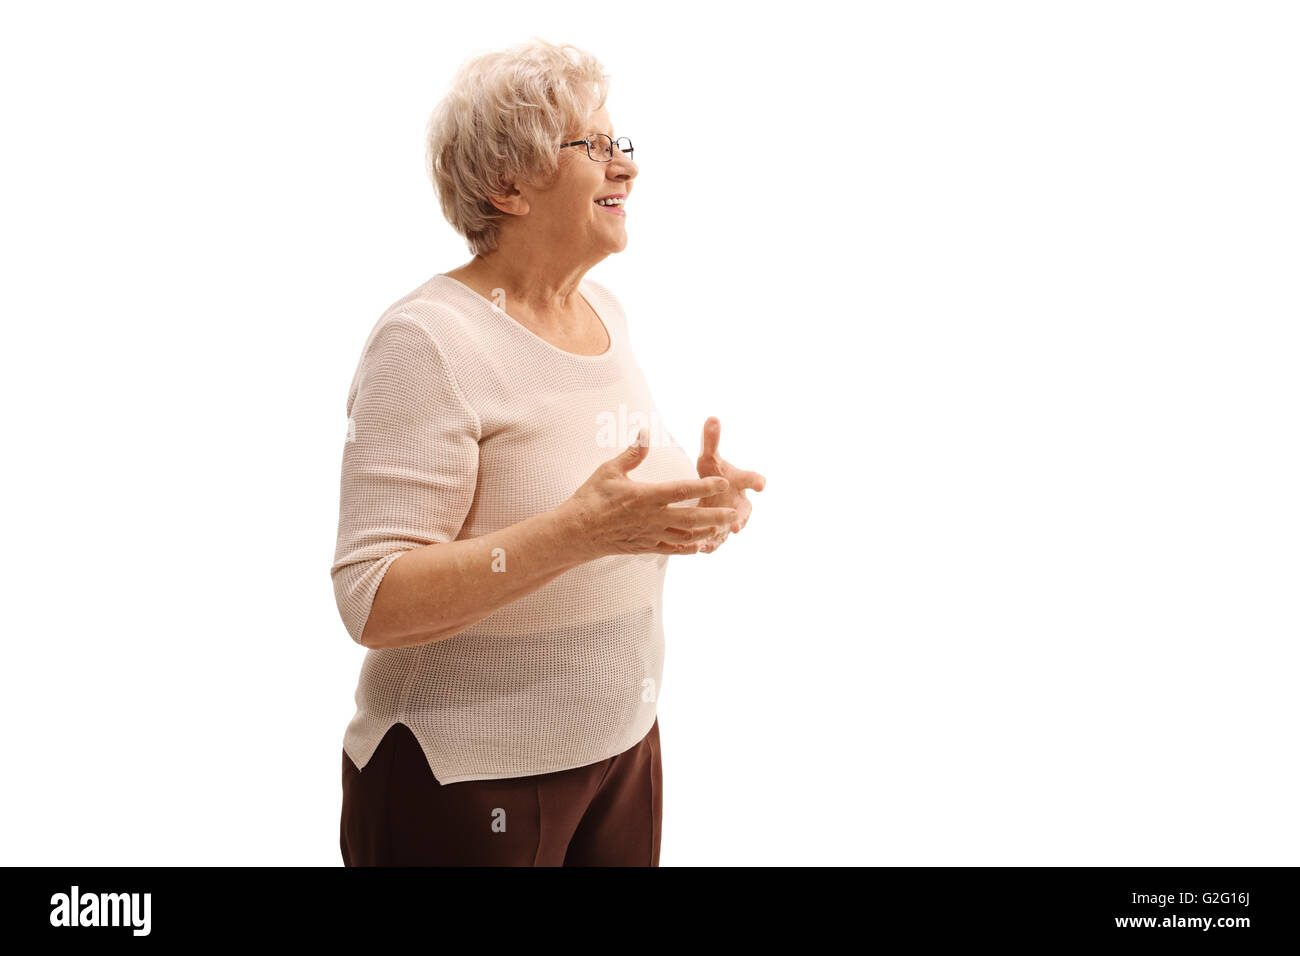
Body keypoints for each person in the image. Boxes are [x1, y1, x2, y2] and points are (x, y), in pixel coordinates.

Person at [331, 37, 766, 866]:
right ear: (507, 185)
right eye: (592, 147)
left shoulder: (603, 311)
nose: (625, 169)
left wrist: (706, 502)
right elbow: (371, 598)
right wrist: (579, 534)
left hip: (622, 749)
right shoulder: (427, 340)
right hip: (465, 780)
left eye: (620, 144)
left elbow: (625, 491)